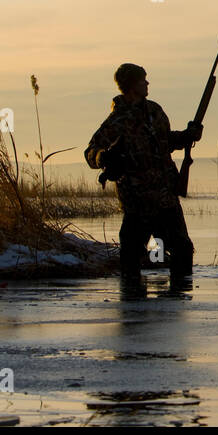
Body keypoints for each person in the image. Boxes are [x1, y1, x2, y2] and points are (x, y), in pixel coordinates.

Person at [84, 63, 202, 281]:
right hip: (137, 201)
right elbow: (91, 151)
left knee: (183, 250)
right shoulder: (117, 121)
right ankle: (132, 302)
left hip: (166, 196)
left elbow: (165, 140)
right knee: (131, 255)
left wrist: (187, 135)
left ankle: (178, 301)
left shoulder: (155, 111)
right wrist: (102, 157)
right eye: (142, 80)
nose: (147, 83)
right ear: (131, 85)